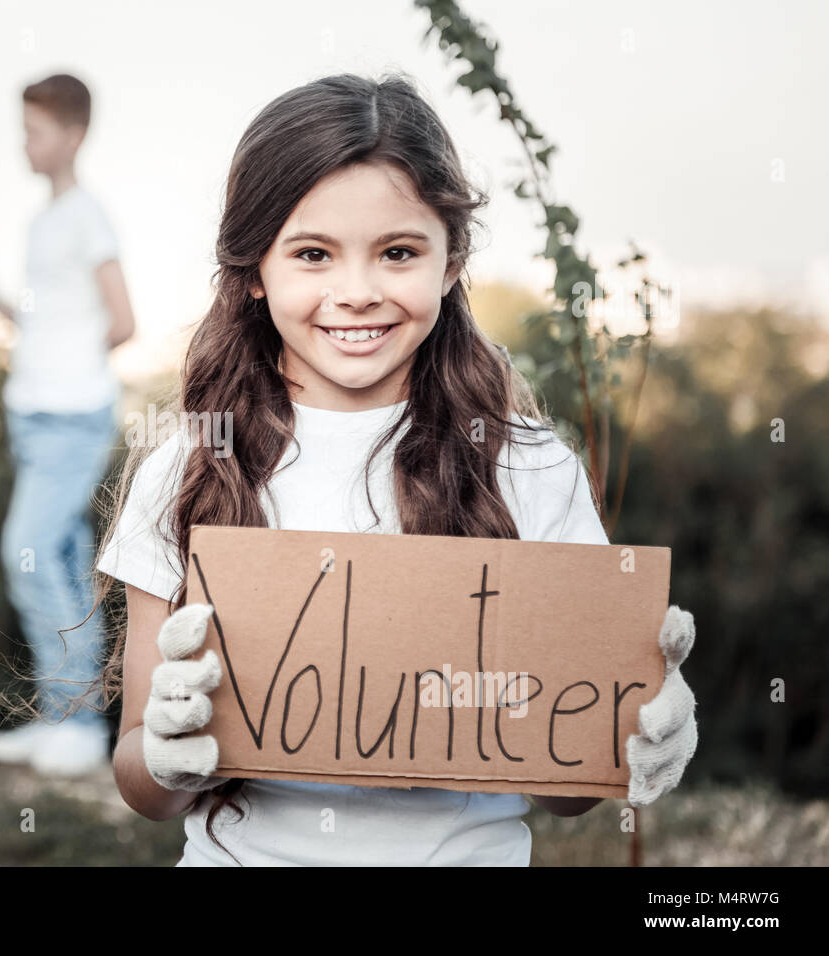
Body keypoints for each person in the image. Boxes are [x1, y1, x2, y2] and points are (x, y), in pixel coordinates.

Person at [93, 73, 699, 865]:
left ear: (451, 263)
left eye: (398, 252)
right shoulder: (189, 466)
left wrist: (631, 731)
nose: (356, 293)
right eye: (312, 254)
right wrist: (170, 751)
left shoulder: (530, 468)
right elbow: (143, 783)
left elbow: (566, 791)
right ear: (252, 269)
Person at [0, 73, 136, 776]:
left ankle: (80, 720)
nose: (24, 143)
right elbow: (49, 321)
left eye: (34, 130)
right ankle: (64, 716)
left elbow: (123, 322)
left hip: (72, 414)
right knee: (57, 560)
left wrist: (66, 366)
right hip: (34, 414)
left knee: (25, 550)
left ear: (72, 135)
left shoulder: (88, 215)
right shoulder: (42, 220)